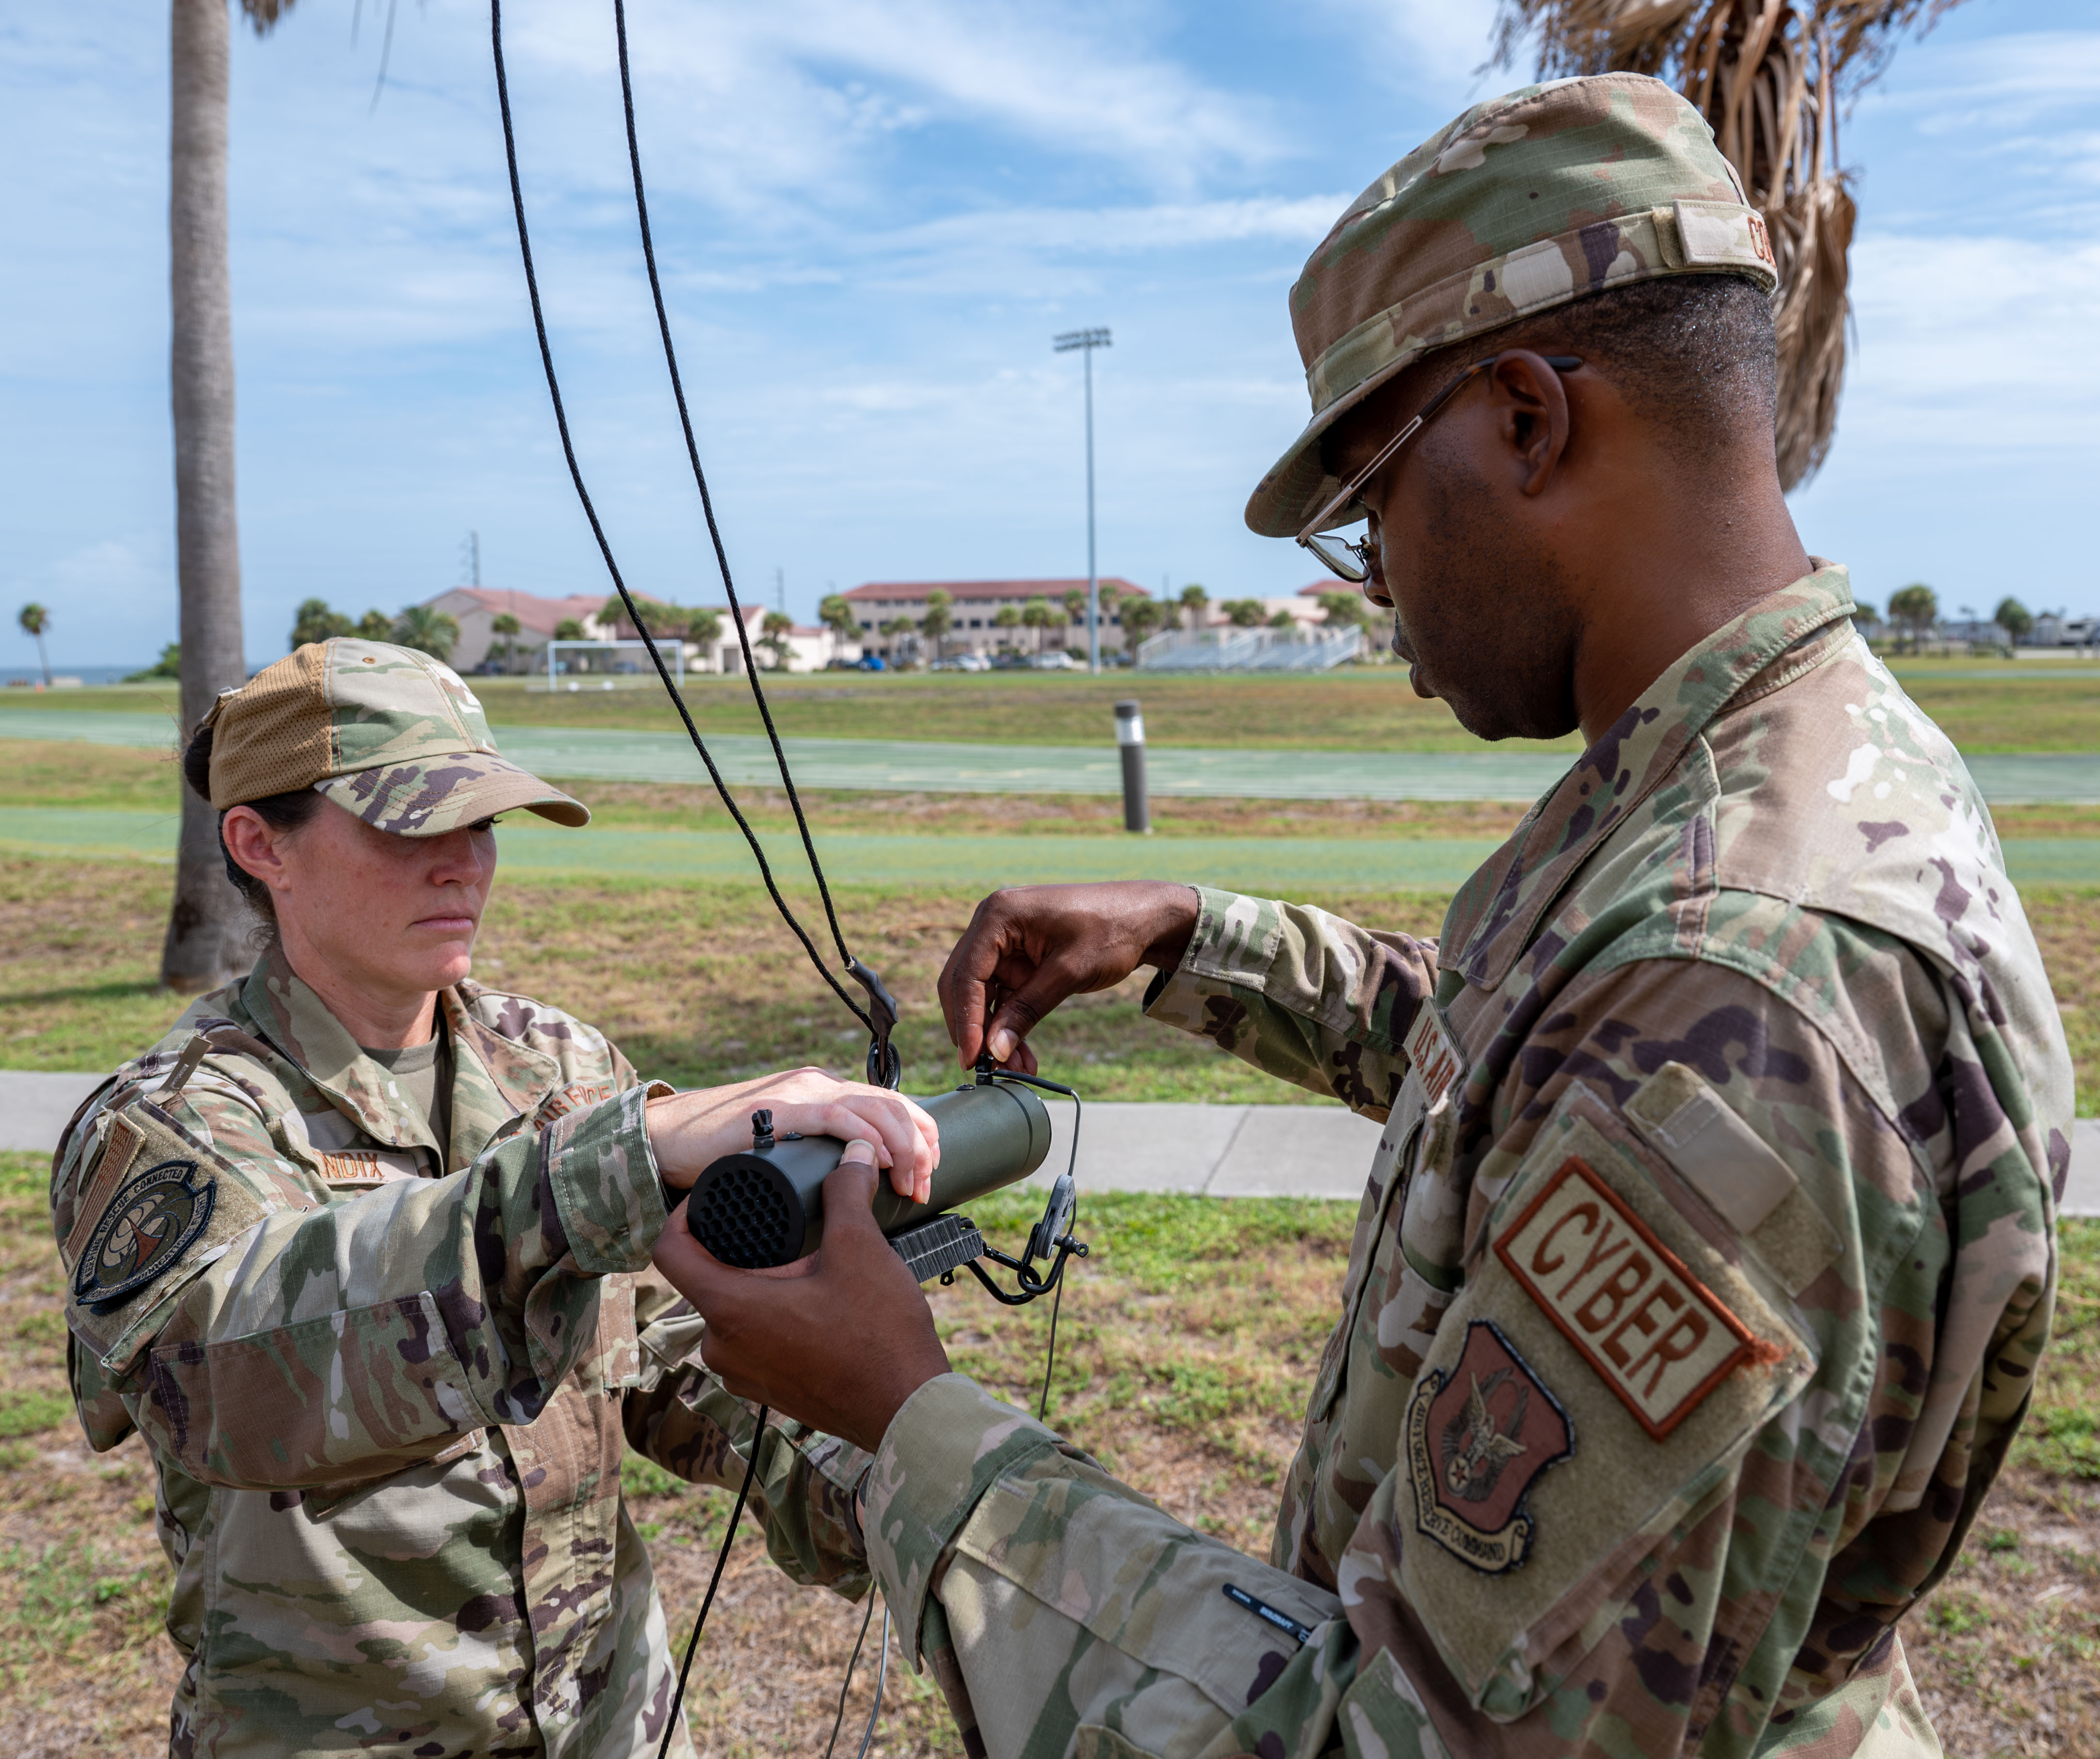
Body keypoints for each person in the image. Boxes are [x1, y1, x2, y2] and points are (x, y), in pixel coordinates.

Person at [653, 74, 2072, 1758]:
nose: (1375, 579)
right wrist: (1193, 936)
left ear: (1530, 421)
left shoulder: (1747, 967)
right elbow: (1533, 1069)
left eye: (1368, 503)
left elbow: (1403, 1737)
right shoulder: (1781, 777)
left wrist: (906, 1419)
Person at [51, 638, 929, 1758]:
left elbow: (664, 1347)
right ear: (258, 841)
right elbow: (225, 1375)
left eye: (482, 823)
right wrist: (611, 1164)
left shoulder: (552, 1063)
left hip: (612, 1716)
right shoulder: (176, 1122)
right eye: (409, 823)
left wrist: (899, 1493)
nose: (463, 862)